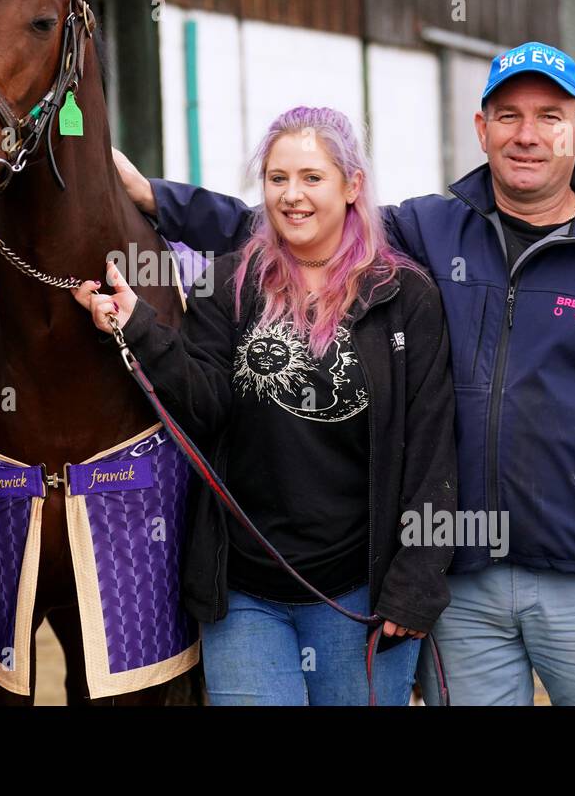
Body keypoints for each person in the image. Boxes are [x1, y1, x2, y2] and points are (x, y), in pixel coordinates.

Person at [114, 41, 575, 705]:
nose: (526, 134)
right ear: (481, 128)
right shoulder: (433, 230)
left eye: (550, 116)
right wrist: (157, 198)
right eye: (508, 114)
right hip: (465, 588)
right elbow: (304, 223)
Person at [76, 106, 457, 706]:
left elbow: (432, 452)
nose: (292, 196)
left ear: (352, 186)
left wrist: (416, 583)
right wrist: (139, 326)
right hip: (247, 593)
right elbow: (205, 409)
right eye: (278, 179)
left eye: (312, 178)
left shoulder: (403, 295)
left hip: (358, 592)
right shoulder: (229, 284)